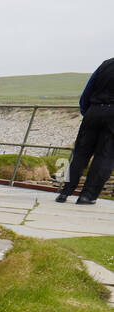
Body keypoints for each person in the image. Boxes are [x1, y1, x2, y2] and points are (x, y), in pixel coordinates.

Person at [57, 57, 114, 205]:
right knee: (105, 156)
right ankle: (87, 196)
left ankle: (65, 192)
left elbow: (88, 89)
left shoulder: (106, 64)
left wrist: (87, 111)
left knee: (80, 154)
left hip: (93, 112)